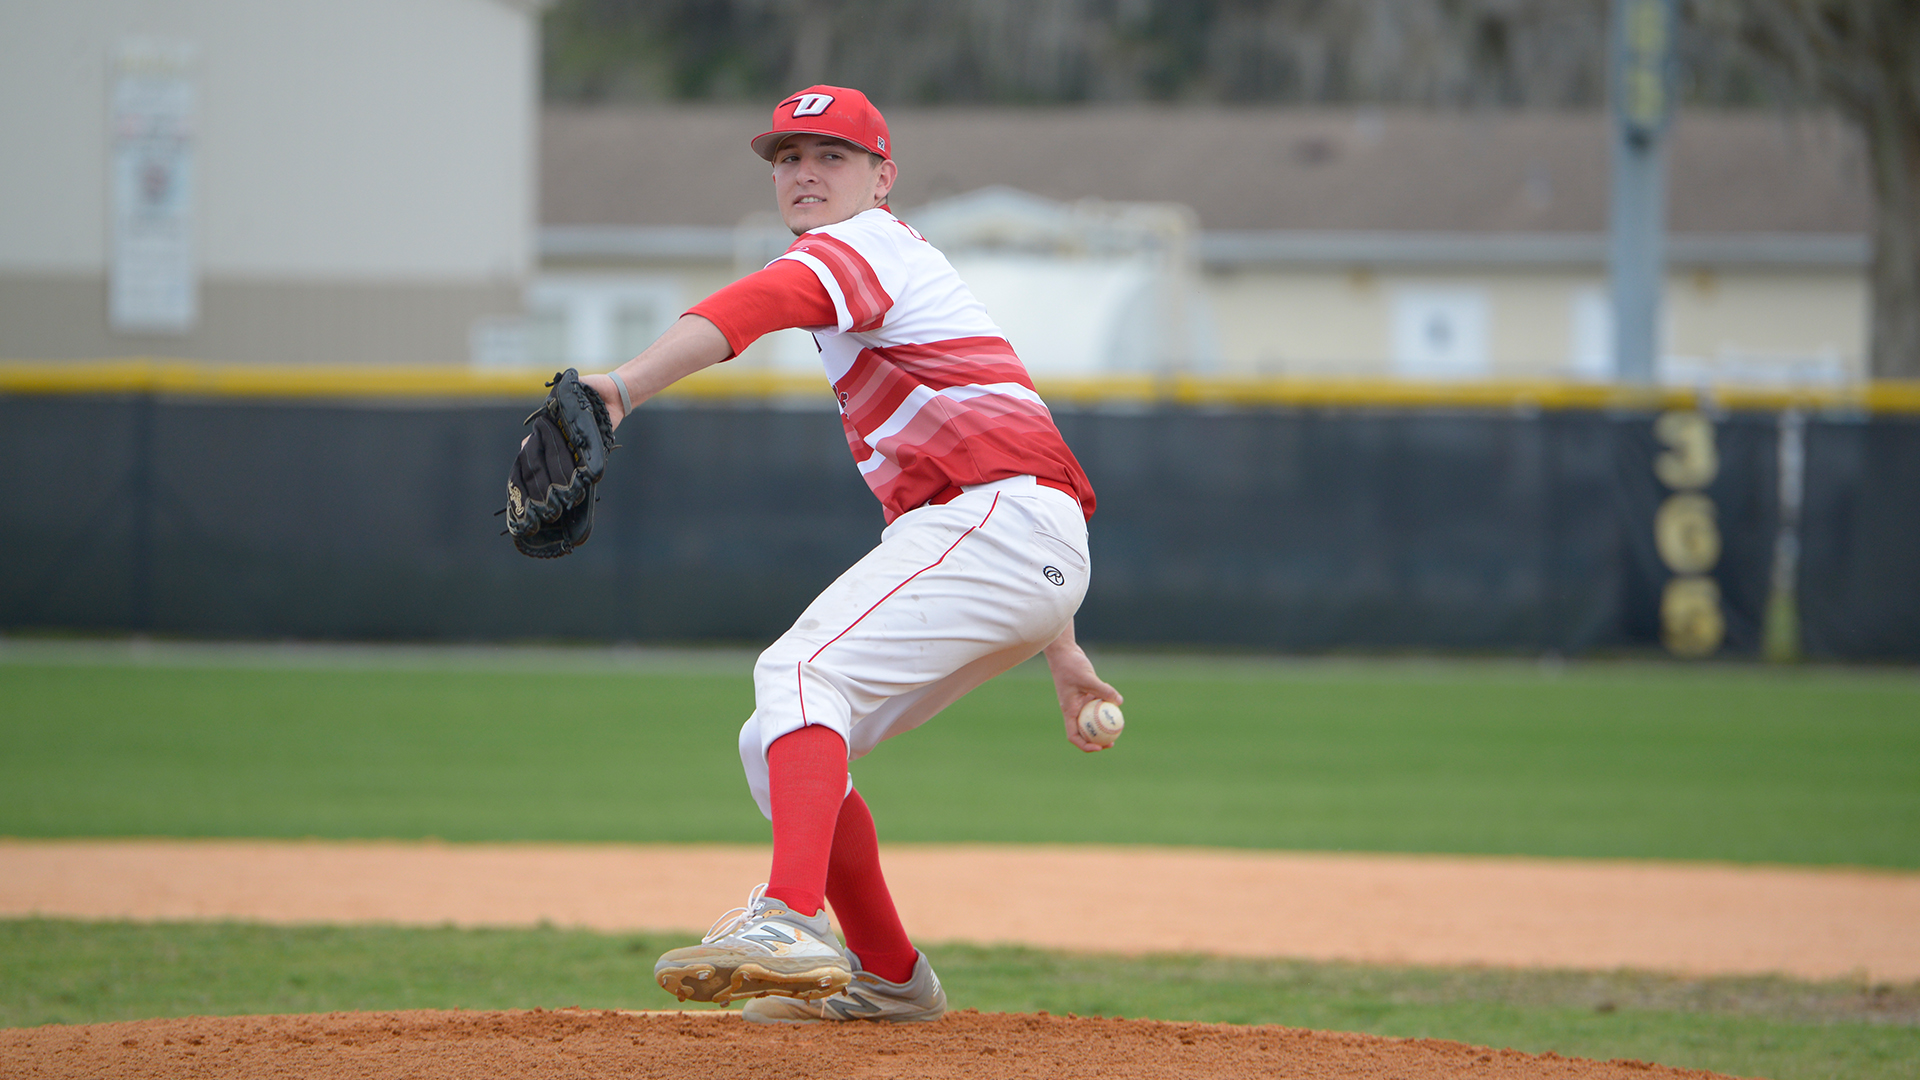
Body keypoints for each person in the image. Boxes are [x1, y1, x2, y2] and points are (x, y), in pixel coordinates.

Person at [576, 85, 1121, 1024]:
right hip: (1016, 537)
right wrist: (1063, 650)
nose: (804, 173)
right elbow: (1022, 452)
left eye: (831, 156)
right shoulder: (892, 267)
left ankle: (787, 916)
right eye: (788, 158)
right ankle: (891, 977)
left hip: (994, 523)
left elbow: (758, 303)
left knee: (796, 672)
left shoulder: (863, 247)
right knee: (772, 740)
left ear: (882, 176)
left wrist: (622, 387)